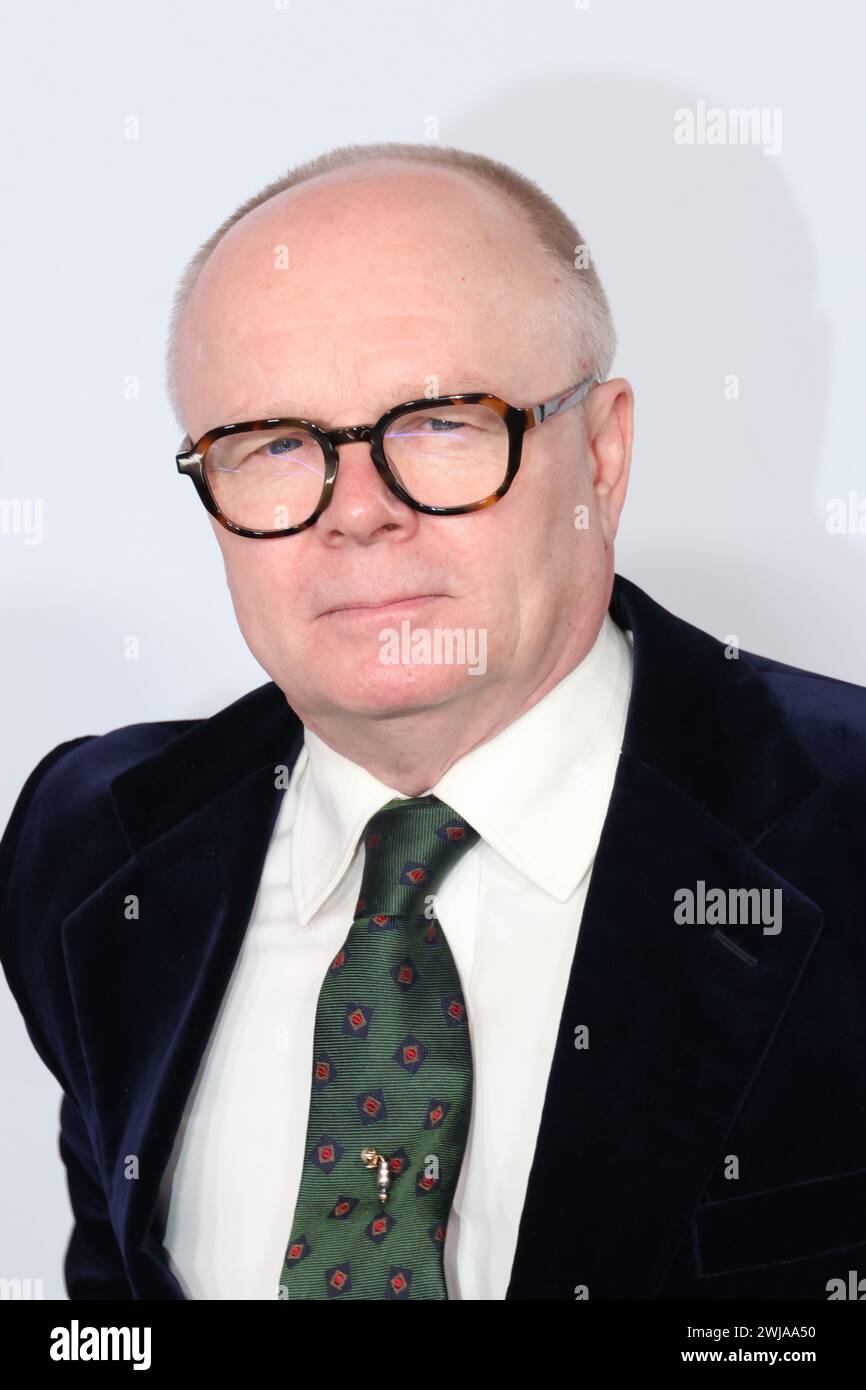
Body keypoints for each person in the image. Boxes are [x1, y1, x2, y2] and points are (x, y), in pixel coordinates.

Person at [2, 142, 865, 1301]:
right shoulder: (88, 847)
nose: (357, 511)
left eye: (439, 423)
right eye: (274, 445)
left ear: (601, 456)